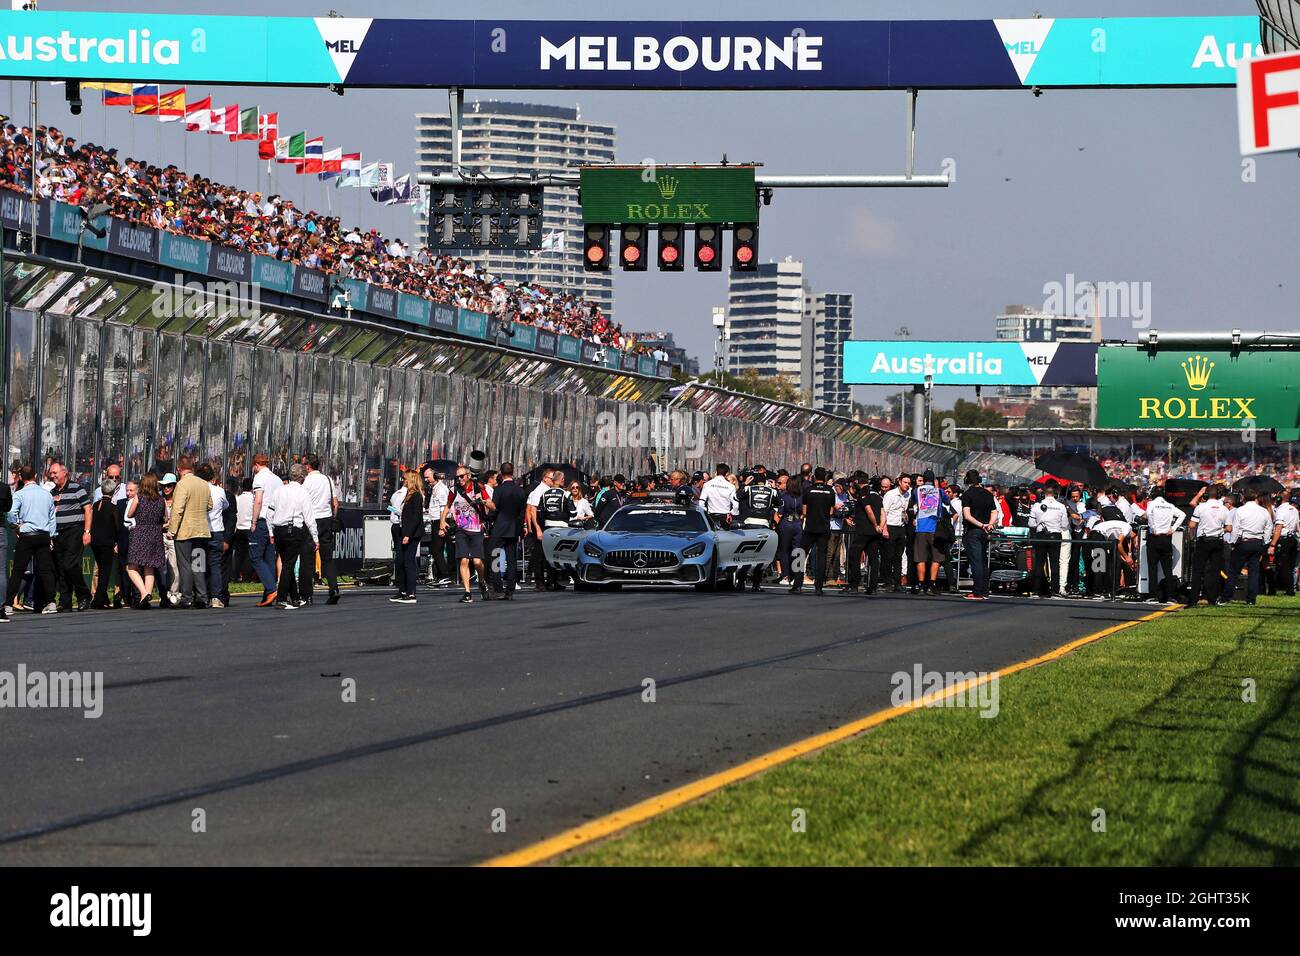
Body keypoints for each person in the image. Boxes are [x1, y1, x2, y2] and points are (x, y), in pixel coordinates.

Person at [6, 465, 58, 615]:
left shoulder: (19, 494)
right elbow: (52, 517)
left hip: (27, 535)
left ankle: (8, 604)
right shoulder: (46, 494)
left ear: (21, 478)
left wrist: (16, 527)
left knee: (18, 570)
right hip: (43, 535)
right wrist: (51, 536)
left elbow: (10, 513)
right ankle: (50, 602)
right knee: (46, 570)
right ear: (35, 476)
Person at [440, 465, 496, 604]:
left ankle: (482, 581)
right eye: (457, 477)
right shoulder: (454, 490)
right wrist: (442, 521)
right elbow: (447, 506)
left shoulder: (478, 488)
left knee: (477, 561)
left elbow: (493, 506)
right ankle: (467, 592)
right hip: (461, 529)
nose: (459, 479)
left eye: (462, 476)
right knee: (464, 560)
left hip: (476, 529)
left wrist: (481, 501)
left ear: (468, 476)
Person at [271, 463, 319, 609]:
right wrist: (315, 538)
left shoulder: (279, 490)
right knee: (288, 564)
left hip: (278, 529)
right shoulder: (303, 492)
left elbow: (270, 512)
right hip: (293, 530)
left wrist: (270, 531)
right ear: (303, 478)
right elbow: (309, 518)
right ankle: (281, 599)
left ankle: (295, 597)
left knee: (287, 563)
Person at [167, 455, 213, 609]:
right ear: (192, 468)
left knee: (185, 565)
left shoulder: (182, 485)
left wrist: (172, 530)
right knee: (198, 564)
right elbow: (210, 505)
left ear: (179, 469)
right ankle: (202, 597)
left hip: (185, 531)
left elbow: (177, 509)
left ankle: (187, 598)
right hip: (201, 530)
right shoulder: (203, 484)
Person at [49, 462, 93, 612]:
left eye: (55, 473)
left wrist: (87, 532)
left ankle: (84, 595)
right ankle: (65, 601)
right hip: (57, 533)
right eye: (51, 473)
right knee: (61, 568)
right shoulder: (53, 492)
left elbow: (88, 509)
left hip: (74, 530)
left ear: (64, 473)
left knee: (70, 565)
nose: (52, 475)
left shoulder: (77, 488)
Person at [1219, 491, 1273, 606]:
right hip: (1257, 542)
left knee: (1233, 571)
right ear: (1256, 497)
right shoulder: (1263, 511)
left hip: (1243, 541)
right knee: (1254, 572)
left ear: (1243, 498)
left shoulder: (1240, 510)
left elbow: (1236, 528)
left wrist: (1233, 543)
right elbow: (1269, 528)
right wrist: (1265, 542)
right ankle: (1251, 599)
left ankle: (1226, 597)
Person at [791, 467, 835, 595]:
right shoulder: (830, 491)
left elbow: (804, 510)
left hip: (810, 526)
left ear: (814, 477)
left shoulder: (808, 490)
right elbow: (831, 510)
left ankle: (797, 585)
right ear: (825, 478)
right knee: (821, 556)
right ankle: (819, 587)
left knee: (800, 554)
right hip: (824, 527)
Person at [125, 473, 166, 610]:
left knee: (131, 567)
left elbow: (130, 514)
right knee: (150, 567)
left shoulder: (139, 498)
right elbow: (165, 517)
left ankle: (144, 592)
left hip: (141, 533)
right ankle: (146, 597)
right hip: (155, 534)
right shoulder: (161, 500)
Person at [303, 454, 340, 604]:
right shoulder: (327, 479)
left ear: (307, 466)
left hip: (311, 519)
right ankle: (334, 588)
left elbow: (303, 502)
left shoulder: (306, 481)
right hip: (326, 519)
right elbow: (335, 503)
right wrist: (333, 518)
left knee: (308, 557)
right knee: (327, 558)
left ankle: (307, 593)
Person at [907, 470, 951, 596]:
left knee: (920, 558)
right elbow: (947, 502)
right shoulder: (939, 491)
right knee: (936, 558)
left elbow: (912, 501)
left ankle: (921, 585)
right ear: (934, 480)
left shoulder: (917, 490)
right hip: (935, 528)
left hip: (920, 528)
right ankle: (931, 584)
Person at [486, 462, 526, 599]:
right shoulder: (520, 491)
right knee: (511, 559)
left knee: (495, 557)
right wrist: (520, 528)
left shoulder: (499, 490)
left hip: (500, 527)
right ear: (513, 472)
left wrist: (489, 518)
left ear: (501, 474)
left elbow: (494, 509)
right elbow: (522, 513)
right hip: (514, 527)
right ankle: (510, 590)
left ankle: (498, 587)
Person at [1188, 484, 1230, 605]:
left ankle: (1193, 600)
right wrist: (1220, 530)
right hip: (1217, 540)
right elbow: (1229, 528)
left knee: (1197, 570)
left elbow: (1192, 525)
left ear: (1206, 495)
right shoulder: (1224, 509)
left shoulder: (1200, 507)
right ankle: (1212, 599)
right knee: (1215, 571)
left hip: (1203, 540)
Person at [1142, 485, 1185, 605]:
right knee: (1168, 569)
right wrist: (1174, 528)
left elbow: (1149, 516)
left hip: (1154, 537)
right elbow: (1182, 515)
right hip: (1166, 538)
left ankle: (1153, 596)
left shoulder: (1151, 504)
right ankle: (1171, 596)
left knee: (1152, 568)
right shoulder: (1170, 506)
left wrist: (1153, 528)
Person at [249, 454, 282, 607]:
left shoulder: (259, 478)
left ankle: (271, 588)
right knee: (269, 558)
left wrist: (253, 521)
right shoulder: (278, 480)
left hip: (262, 520)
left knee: (255, 557)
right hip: (274, 521)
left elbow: (258, 500)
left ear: (256, 465)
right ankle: (268, 594)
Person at [1029, 481, 1071, 598]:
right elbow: (1064, 525)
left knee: (1039, 563)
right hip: (1055, 536)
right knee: (1054, 563)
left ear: (1044, 492)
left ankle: (1037, 590)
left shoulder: (1037, 506)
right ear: (1055, 493)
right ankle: (1055, 591)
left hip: (1041, 536)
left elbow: (1031, 524)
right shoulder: (1061, 506)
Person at [736, 473, 777, 592]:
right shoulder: (771, 491)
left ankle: (741, 583)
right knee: (760, 556)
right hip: (763, 525)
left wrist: (744, 484)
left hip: (749, 524)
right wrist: (773, 488)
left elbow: (737, 497)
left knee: (745, 554)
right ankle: (756, 584)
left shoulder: (748, 488)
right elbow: (780, 502)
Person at [961, 470, 997, 602]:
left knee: (976, 562)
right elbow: (994, 511)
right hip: (985, 532)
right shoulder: (988, 494)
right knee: (982, 561)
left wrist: (981, 525)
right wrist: (990, 524)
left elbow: (967, 516)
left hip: (973, 530)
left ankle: (978, 591)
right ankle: (984, 589)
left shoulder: (967, 494)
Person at [88, 475, 123, 609]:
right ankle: (98, 600)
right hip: (107, 543)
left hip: (95, 542)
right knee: (105, 572)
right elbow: (117, 527)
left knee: (101, 570)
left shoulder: (95, 505)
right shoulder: (113, 508)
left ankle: (102, 598)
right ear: (113, 492)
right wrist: (117, 542)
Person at [390, 470, 424, 605]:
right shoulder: (408, 495)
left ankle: (411, 593)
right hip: (404, 530)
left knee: (408, 562)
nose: (404, 481)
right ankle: (402, 590)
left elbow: (415, 517)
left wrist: (407, 535)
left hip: (411, 533)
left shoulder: (416, 496)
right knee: (400, 561)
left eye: (406, 479)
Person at [197, 462, 227, 609]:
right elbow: (225, 505)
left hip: (200, 531)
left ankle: (201, 594)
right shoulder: (219, 491)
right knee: (215, 564)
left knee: (199, 564)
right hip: (216, 530)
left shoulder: (197, 490)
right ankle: (216, 596)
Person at [525, 468, 554, 592]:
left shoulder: (548, 490)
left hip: (546, 524)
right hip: (540, 525)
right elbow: (532, 510)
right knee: (538, 555)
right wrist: (536, 528)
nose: (553, 481)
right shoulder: (539, 491)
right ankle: (539, 581)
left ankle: (548, 580)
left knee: (546, 555)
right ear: (545, 478)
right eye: (552, 479)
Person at [1267, 492, 1298, 597]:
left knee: (1283, 565)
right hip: (1292, 539)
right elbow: (1297, 527)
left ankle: (1289, 590)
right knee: (1290, 565)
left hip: (1284, 540)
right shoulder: (1293, 509)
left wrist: (1272, 544)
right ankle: (1290, 588)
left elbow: (1279, 528)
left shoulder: (1281, 510)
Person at [880, 475, 908, 592]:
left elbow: (904, 510)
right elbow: (884, 512)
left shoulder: (907, 495)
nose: (907, 485)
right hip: (890, 526)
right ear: (899, 482)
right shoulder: (890, 495)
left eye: (909, 483)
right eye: (905, 482)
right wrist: (884, 528)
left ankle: (897, 583)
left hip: (900, 527)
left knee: (899, 556)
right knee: (888, 556)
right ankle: (887, 581)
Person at [775, 476, 803, 585]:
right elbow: (804, 512)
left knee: (784, 550)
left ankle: (786, 576)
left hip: (786, 522)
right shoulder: (802, 497)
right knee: (798, 550)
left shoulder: (784, 497)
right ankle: (797, 576)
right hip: (797, 523)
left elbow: (780, 513)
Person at [231, 476, 254, 585]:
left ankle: (234, 576)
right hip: (249, 528)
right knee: (248, 555)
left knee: (238, 555)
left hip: (239, 528)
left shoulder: (238, 498)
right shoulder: (253, 499)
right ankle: (246, 577)